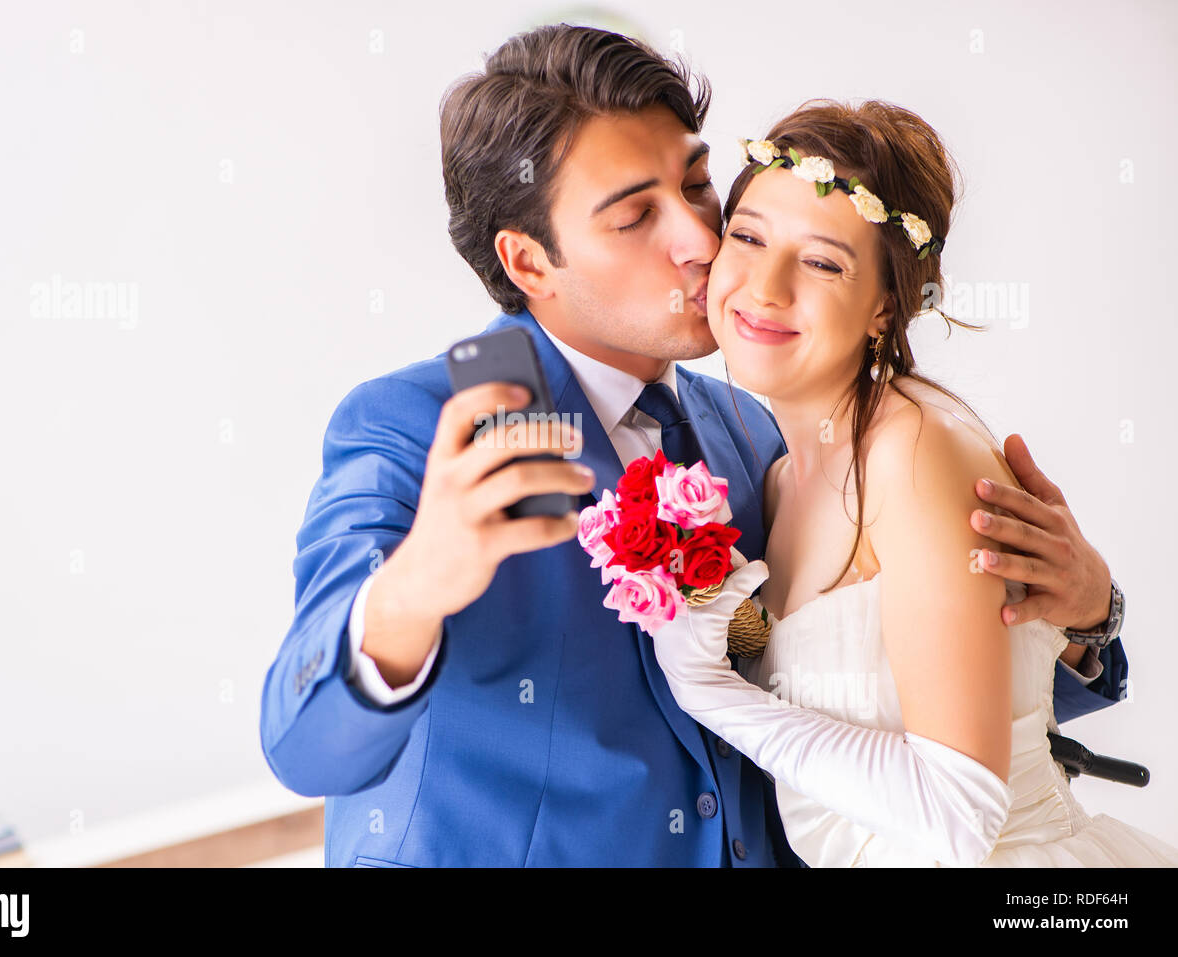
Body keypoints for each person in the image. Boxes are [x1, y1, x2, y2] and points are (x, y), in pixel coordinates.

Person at [259, 25, 1129, 867]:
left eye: (699, 185)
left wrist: (1087, 620)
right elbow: (302, 746)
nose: (701, 241)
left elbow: (908, 697)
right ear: (529, 264)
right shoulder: (412, 426)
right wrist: (411, 593)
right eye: (635, 215)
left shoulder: (761, 432)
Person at [652, 98, 1176, 866]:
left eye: (824, 261)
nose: (765, 287)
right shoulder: (773, 473)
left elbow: (956, 810)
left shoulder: (916, 451)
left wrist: (711, 692)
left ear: (887, 305)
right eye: (748, 237)